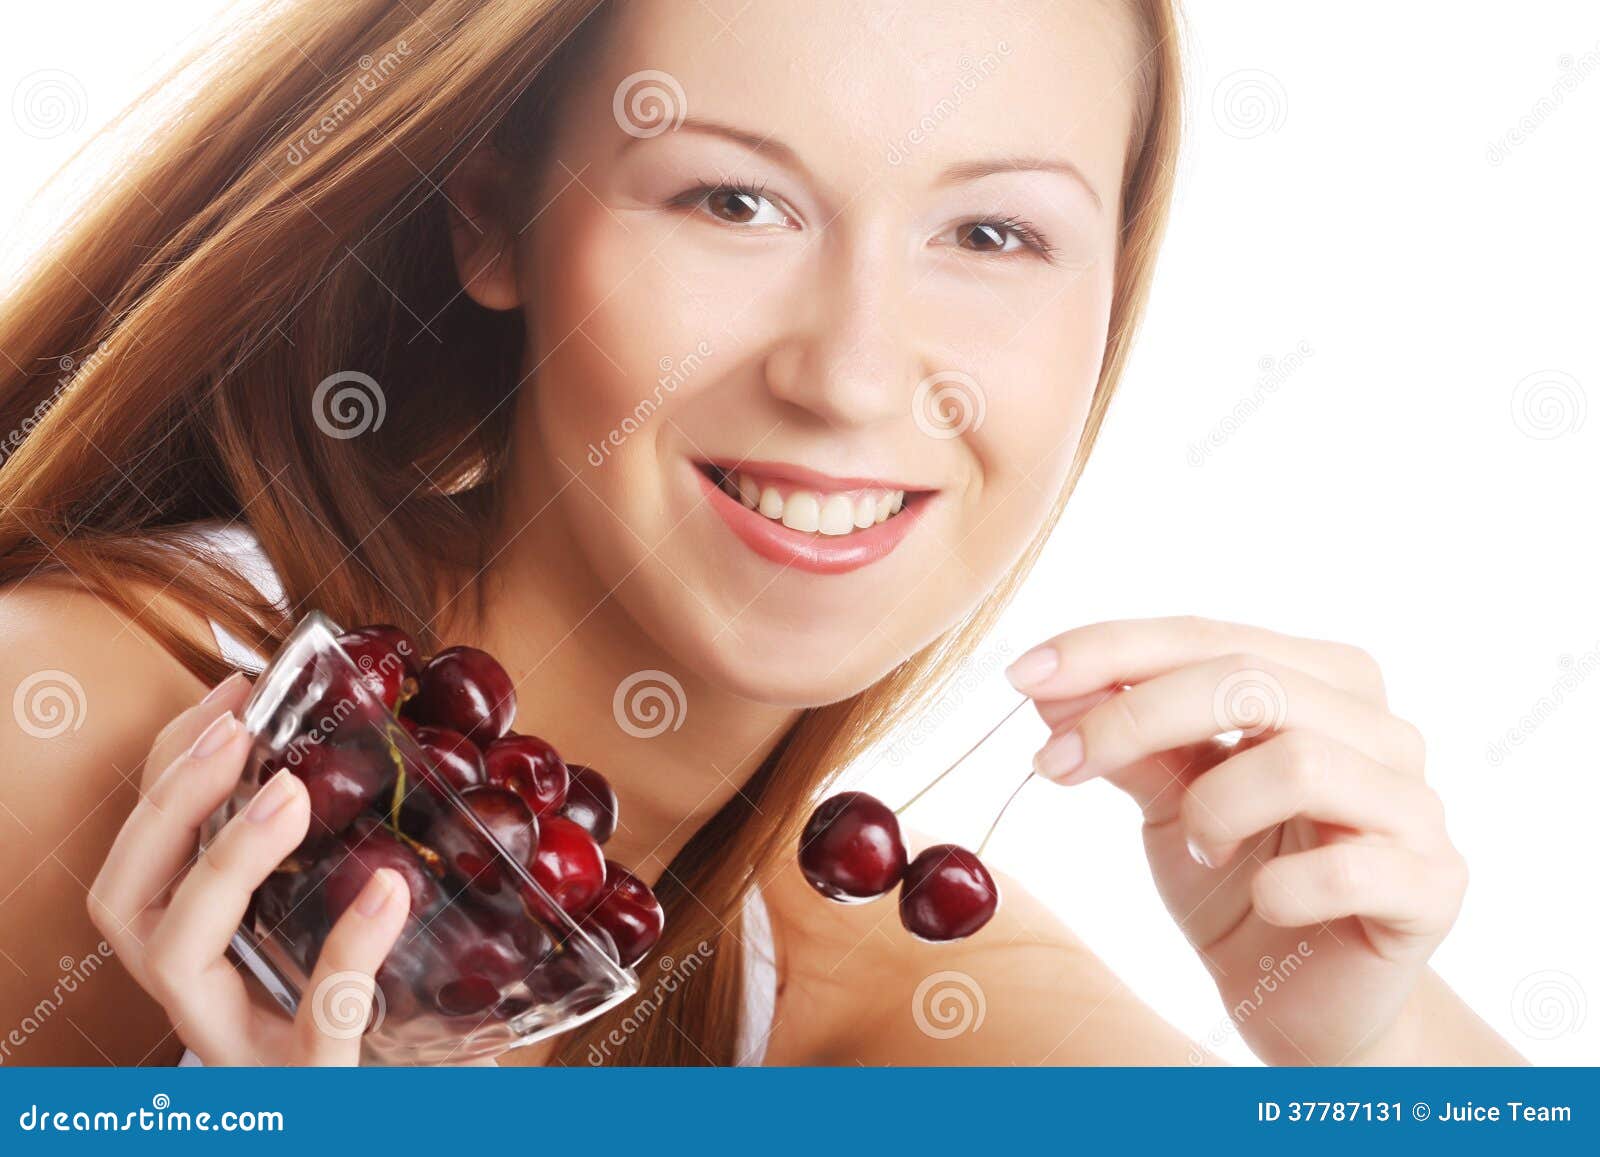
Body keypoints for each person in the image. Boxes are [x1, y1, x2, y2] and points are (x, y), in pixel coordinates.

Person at [0, 0, 1519, 1066]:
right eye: (732, 201)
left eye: (992, 235)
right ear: (493, 217)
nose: (850, 372)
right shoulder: (84, 735)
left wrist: (1380, 1041)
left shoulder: (856, 972)